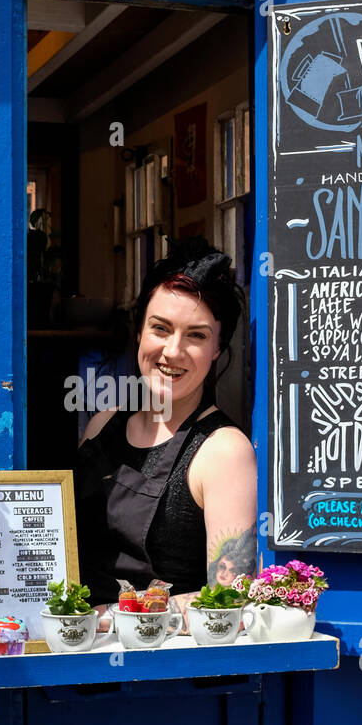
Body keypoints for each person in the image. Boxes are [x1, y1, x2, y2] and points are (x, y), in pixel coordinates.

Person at [73, 238, 258, 626]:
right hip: (76, 654)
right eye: (161, 328)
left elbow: (231, 599)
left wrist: (115, 616)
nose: (173, 351)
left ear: (217, 350)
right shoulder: (102, 425)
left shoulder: (223, 450)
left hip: (166, 664)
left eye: (196, 335)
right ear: (139, 332)